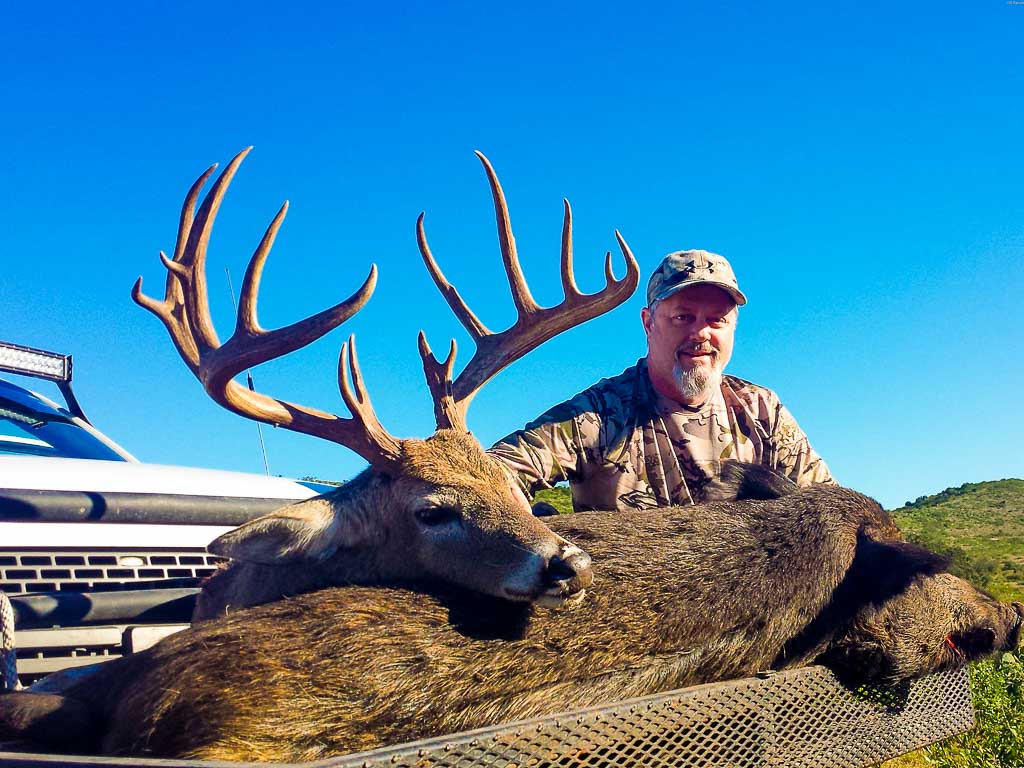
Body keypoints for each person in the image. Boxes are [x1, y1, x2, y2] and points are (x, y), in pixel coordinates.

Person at [489, 249, 833, 512]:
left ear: (733, 329)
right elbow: (491, 472)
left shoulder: (762, 411)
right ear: (648, 323)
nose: (700, 334)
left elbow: (830, 508)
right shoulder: (598, 414)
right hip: (622, 601)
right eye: (683, 317)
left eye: (717, 320)